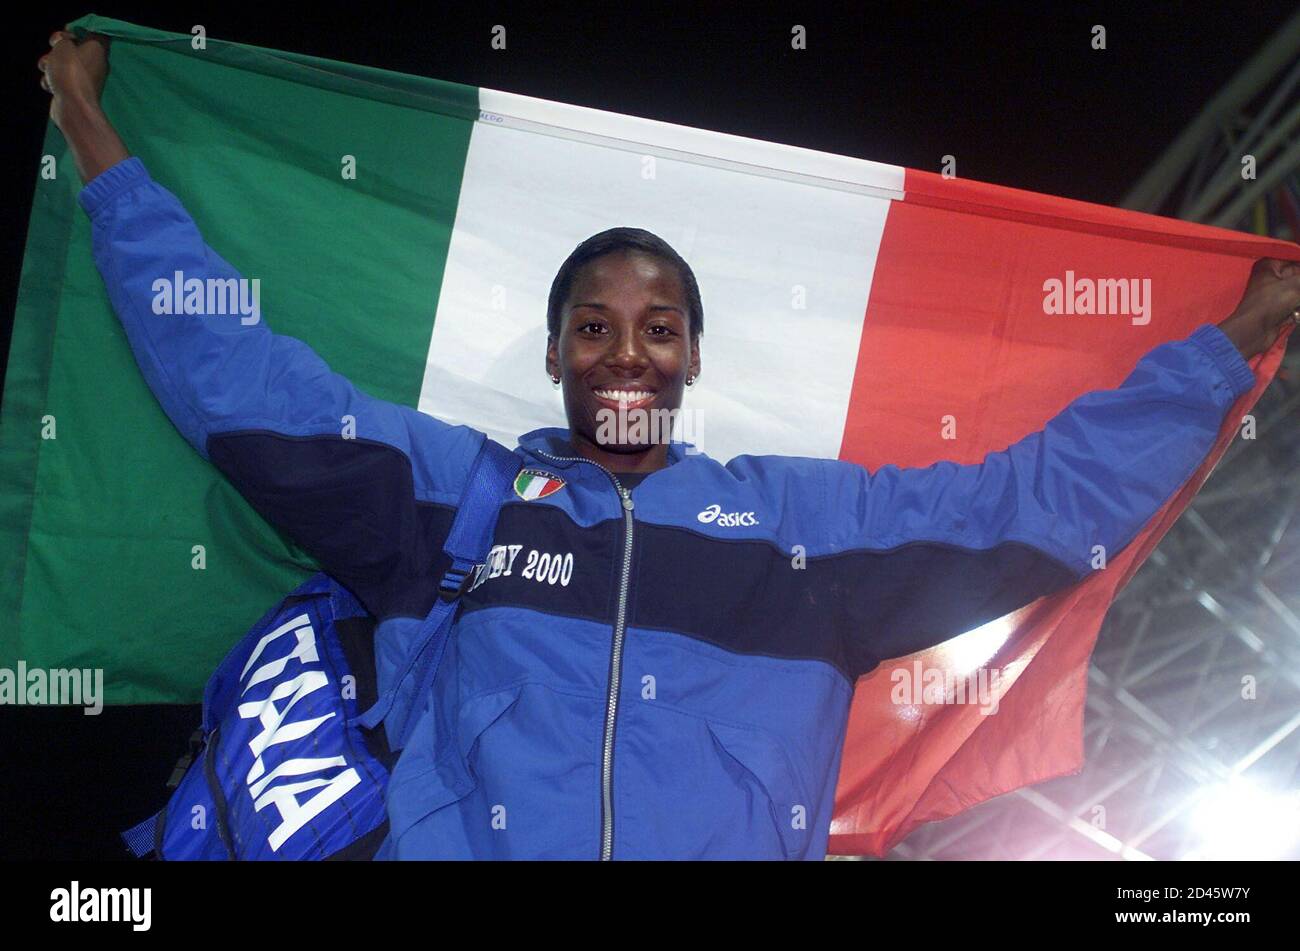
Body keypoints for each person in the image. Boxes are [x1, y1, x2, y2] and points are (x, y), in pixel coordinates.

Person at [39, 30, 1300, 860]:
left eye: (657, 328)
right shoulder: (458, 503)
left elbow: (1037, 501)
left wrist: (1220, 348)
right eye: (593, 327)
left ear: (693, 360)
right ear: (555, 358)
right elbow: (242, 384)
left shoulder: (804, 534)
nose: (626, 352)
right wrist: (99, 148)